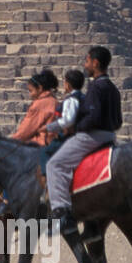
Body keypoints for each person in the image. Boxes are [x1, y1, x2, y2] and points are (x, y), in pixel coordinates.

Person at [46, 46, 122, 233]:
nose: (85, 65)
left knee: (54, 164)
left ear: (95, 63)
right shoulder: (112, 88)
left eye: (87, 61)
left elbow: (93, 118)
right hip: (110, 136)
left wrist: (75, 127)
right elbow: (118, 121)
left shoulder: (96, 87)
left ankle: (61, 214)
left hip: (92, 136)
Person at [40, 68, 85, 173]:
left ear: (68, 85)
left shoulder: (71, 99)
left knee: (45, 152)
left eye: (65, 82)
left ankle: (47, 181)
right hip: (80, 134)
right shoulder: (83, 97)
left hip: (70, 137)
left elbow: (68, 120)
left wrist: (48, 127)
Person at [11, 70, 60, 146]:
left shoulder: (39, 104)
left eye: (31, 91)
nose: (30, 95)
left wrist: (11, 141)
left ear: (40, 88)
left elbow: (27, 129)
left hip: (41, 144)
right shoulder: (54, 101)